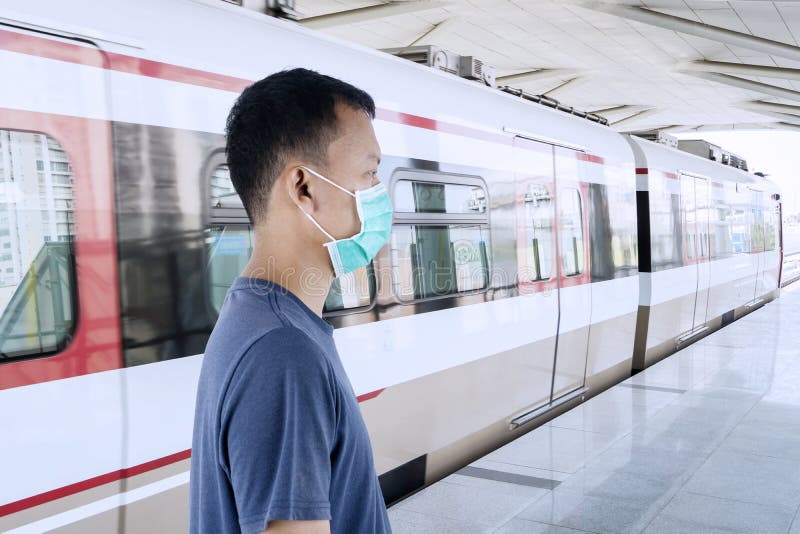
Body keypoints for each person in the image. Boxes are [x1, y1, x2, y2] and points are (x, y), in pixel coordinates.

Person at [189, 68, 393, 534]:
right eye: (369, 173)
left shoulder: (257, 318)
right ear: (303, 187)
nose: (379, 193)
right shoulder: (282, 353)